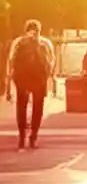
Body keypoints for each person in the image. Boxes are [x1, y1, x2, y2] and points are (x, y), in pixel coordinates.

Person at [7, 19, 55, 150]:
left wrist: (9, 83)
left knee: (22, 107)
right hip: (37, 79)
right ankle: (32, 136)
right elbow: (51, 62)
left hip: (24, 78)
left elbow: (11, 61)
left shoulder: (19, 42)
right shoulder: (44, 43)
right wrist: (51, 80)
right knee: (36, 108)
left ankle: (24, 137)